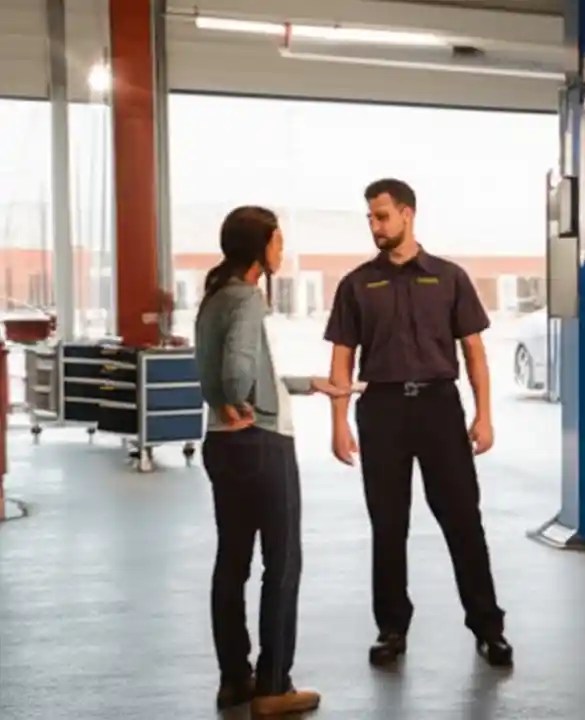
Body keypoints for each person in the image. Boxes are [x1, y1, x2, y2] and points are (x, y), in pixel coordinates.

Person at [323, 178, 512, 668]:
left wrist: (484, 415)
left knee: (463, 519)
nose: (375, 225)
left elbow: (474, 352)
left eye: (382, 216)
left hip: (439, 407)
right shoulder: (357, 284)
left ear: (407, 214)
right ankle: (391, 628)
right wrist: (338, 422)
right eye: (370, 217)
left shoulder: (449, 277)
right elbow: (342, 357)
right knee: (388, 523)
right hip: (381, 409)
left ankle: (488, 626)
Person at [195, 205, 345, 715]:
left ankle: (235, 679)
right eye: (278, 241)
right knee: (282, 563)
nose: (282, 249)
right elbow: (238, 368)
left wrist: (308, 385)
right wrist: (238, 396)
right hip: (262, 443)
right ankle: (274, 686)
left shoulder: (214, 297)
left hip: (222, 444)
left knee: (231, 562)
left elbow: (228, 369)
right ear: (261, 247)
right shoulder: (248, 297)